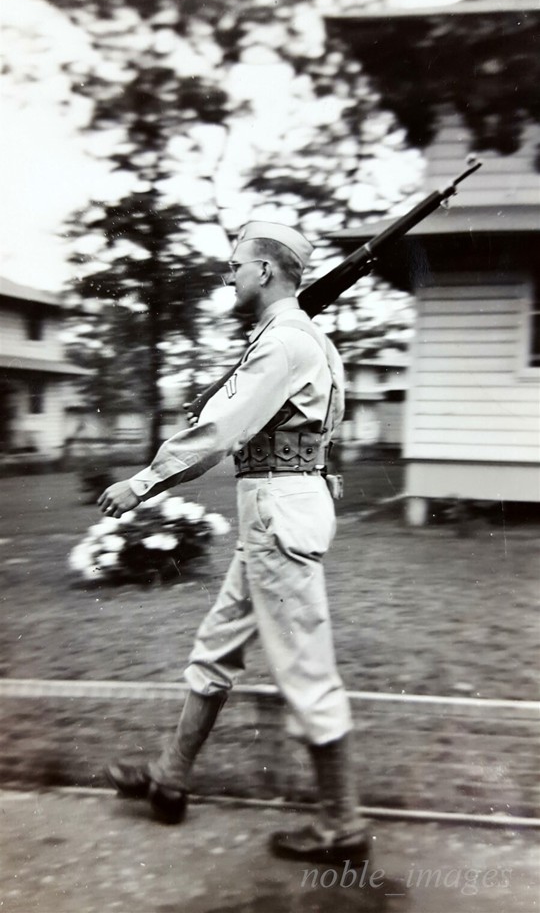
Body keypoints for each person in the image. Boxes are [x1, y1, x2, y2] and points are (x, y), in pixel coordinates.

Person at [98, 220, 370, 862]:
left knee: (306, 673)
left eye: (236, 264)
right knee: (217, 647)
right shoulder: (308, 339)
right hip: (276, 511)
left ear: (267, 272)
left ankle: (343, 826)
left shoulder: (285, 342)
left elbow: (220, 432)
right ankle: (170, 778)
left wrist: (143, 484)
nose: (229, 275)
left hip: (277, 512)